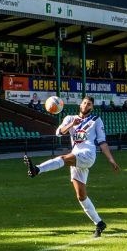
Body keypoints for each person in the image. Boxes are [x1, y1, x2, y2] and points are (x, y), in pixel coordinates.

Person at [24, 96, 120, 237]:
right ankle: (99, 223)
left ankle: (37, 169)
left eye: (89, 104)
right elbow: (59, 133)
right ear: (80, 104)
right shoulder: (70, 118)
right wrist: (72, 124)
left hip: (88, 154)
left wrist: (111, 160)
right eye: (85, 103)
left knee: (63, 158)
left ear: (92, 108)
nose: (86, 105)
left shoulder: (95, 120)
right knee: (81, 196)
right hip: (76, 157)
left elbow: (102, 142)